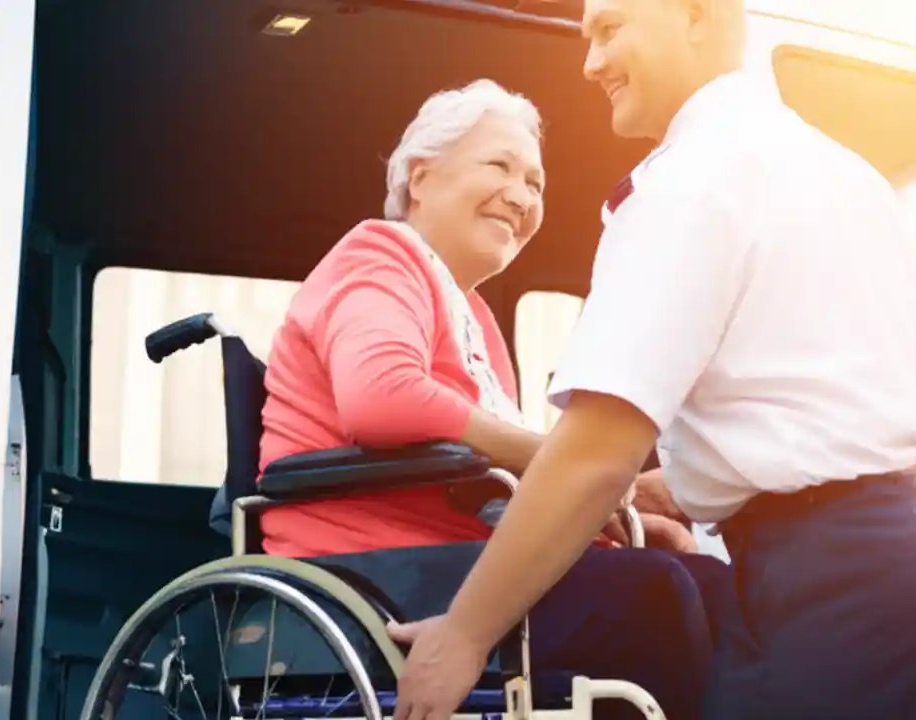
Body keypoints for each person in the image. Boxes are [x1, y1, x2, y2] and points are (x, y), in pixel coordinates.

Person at [389, 1, 916, 719]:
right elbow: (810, 400)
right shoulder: (843, 172)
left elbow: (596, 449)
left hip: (836, 570)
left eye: (611, 30)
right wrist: (675, 485)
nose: (590, 63)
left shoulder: (686, 184)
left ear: (697, 16)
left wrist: (464, 637)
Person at [257, 79, 726, 719]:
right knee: (657, 596)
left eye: (534, 183)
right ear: (420, 178)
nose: (521, 195)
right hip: (373, 568)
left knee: (719, 590)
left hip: (449, 557)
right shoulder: (378, 256)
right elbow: (383, 398)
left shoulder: (469, 312)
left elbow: (488, 471)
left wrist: (626, 501)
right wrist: (556, 459)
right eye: (499, 166)